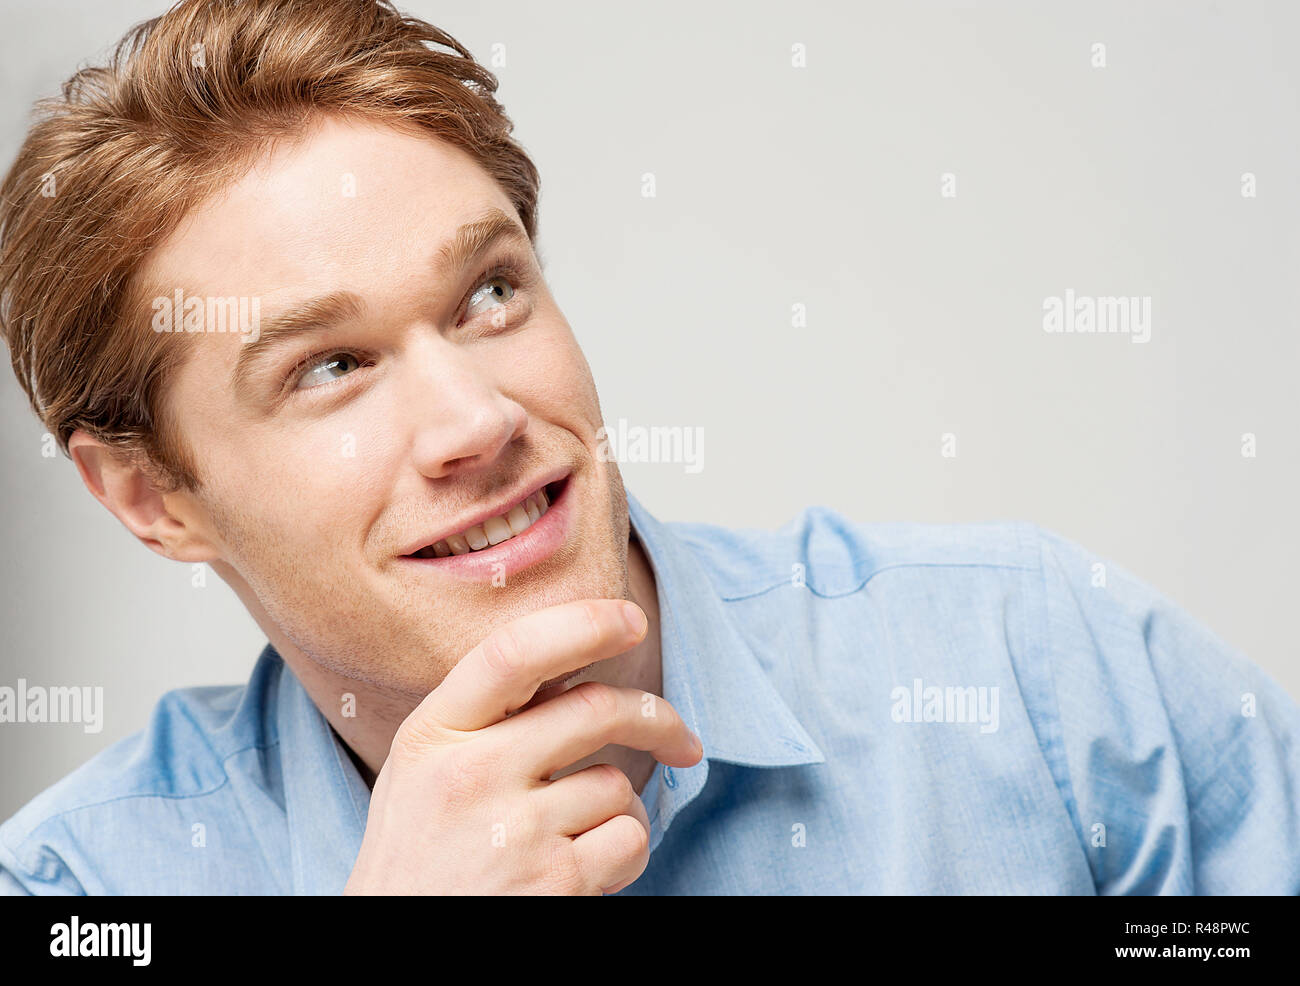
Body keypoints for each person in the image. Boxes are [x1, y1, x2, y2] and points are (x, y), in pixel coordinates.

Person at [1, 0, 1296, 895]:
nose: (480, 421)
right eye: (331, 367)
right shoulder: (83, 886)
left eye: (488, 295)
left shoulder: (1032, 673)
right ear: (152, 493)